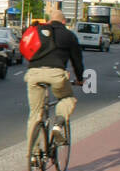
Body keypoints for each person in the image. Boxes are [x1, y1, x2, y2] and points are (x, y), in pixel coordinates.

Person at [24, 10, 85, 151]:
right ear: (64, 22)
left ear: (49, 20)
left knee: (35, 113)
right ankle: (58, 125)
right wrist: (80, 79)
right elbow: (77, 61)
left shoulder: (37, 31)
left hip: (33, 74)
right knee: (67, 98)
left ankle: (33, 153)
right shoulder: (69, 36)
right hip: (56, 74)